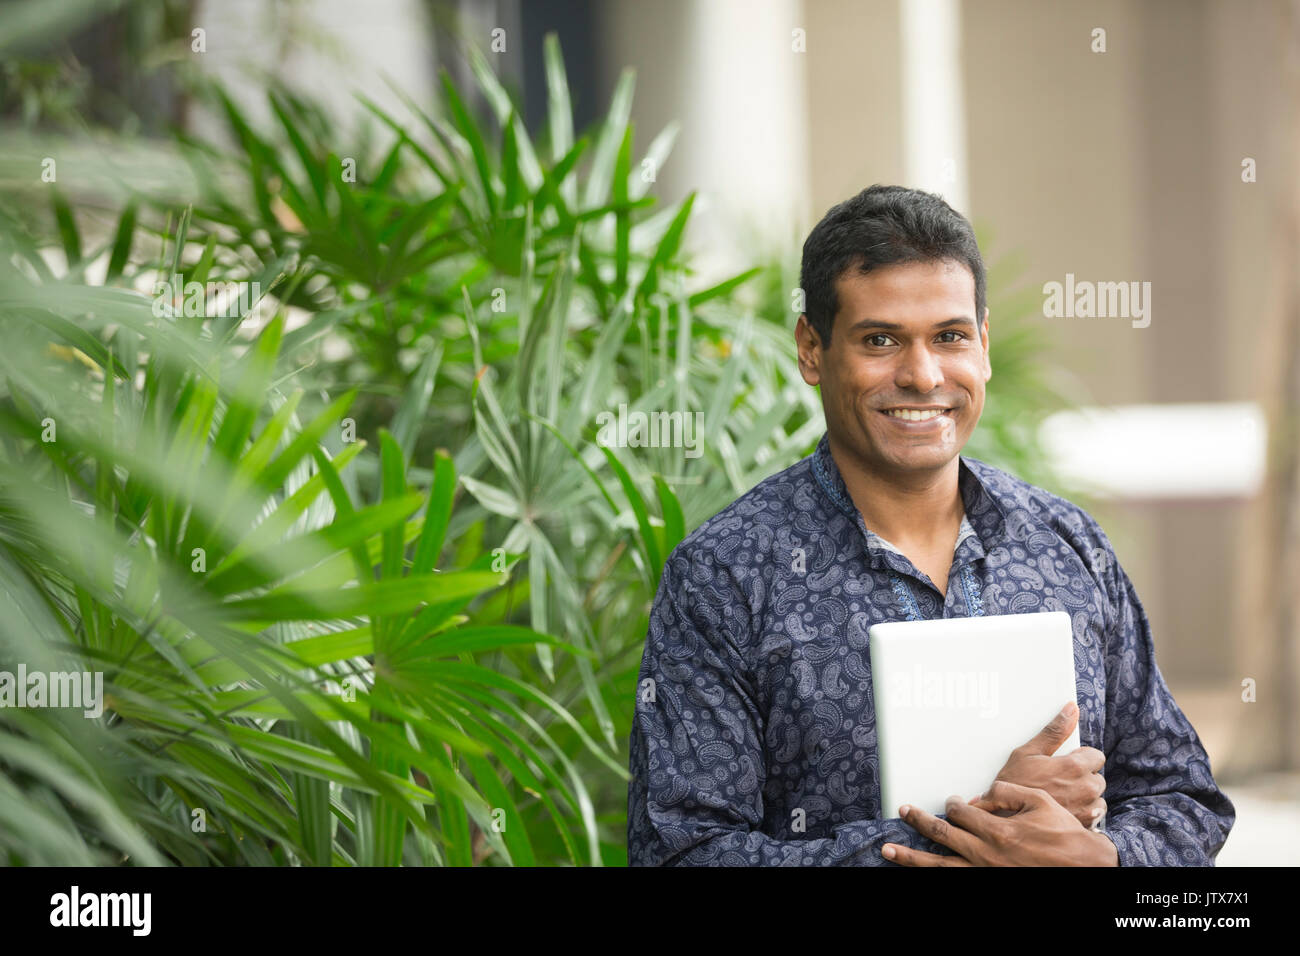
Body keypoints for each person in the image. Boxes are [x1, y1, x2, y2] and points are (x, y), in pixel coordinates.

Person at [625, 184, 1235, 866]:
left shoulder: (1068, 545)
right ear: (811, 349)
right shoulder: (723, 575)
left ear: (983, 346)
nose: (921, 375)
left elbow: (1183, 797)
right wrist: (964, 836)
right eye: (880, 340)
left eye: (949, 337)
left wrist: (1105, 859)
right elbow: (680, 852)